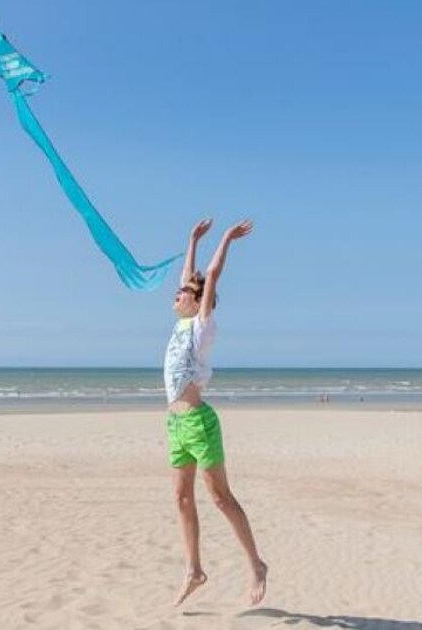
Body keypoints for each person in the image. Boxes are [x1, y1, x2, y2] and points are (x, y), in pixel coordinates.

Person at [164, 217, 266, 606]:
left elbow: (208, 274)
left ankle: (256, 564)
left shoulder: (201, 328)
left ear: (197, 301)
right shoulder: (179, 325)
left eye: (183, 293)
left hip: (199, 423)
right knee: (181, 499)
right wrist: (190, 238)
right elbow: (190, 274)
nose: (177, 294)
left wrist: (224, 239)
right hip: (175, 424)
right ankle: (194, 570)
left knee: (221, 498)